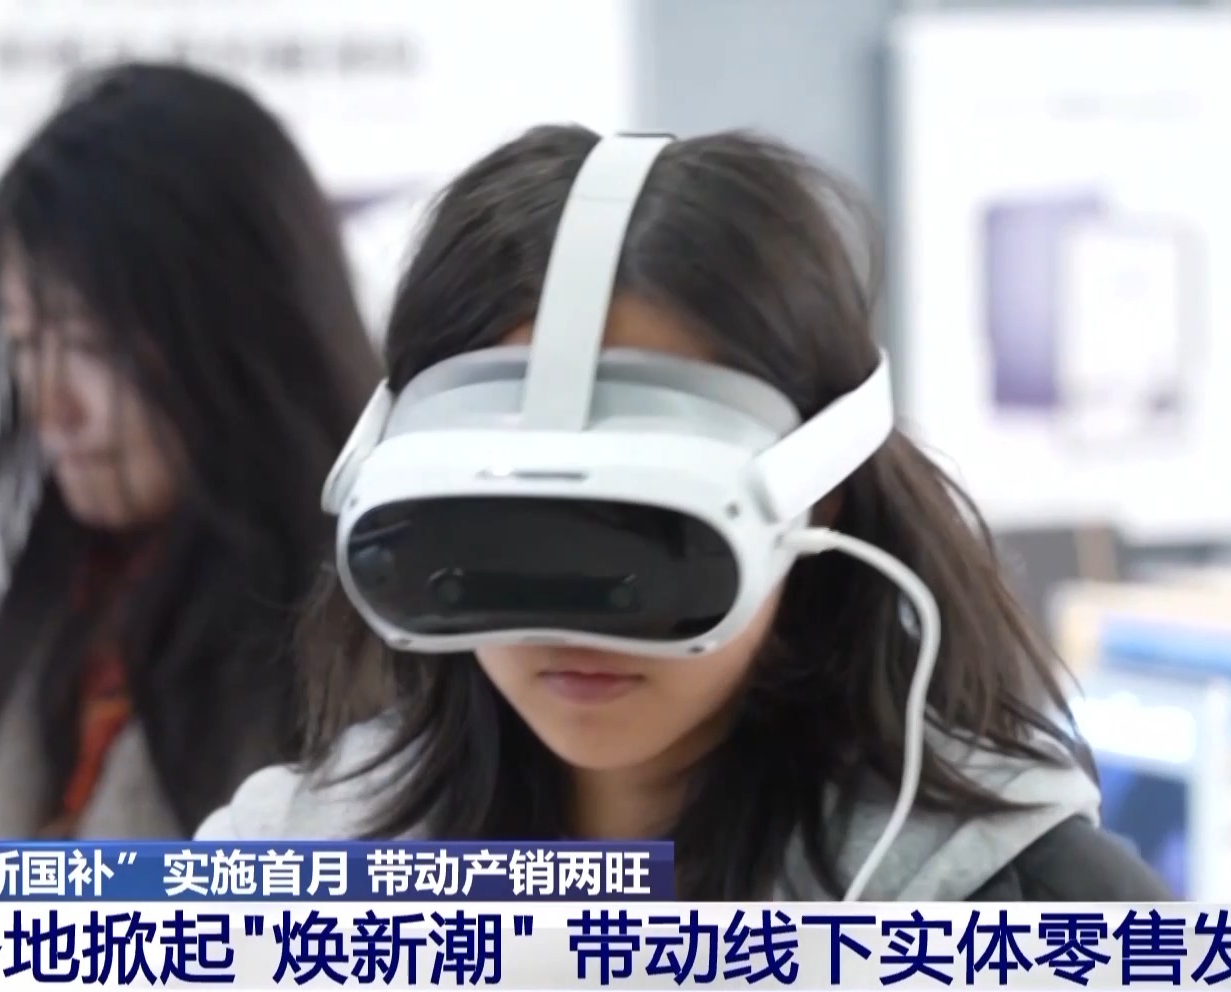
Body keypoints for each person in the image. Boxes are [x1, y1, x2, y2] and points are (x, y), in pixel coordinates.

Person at [195, 125, 1171, 902]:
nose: (569, 623)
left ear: (814, 494)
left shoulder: (1032, 910)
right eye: (502, 528)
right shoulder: (286, 872)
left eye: (644, 529)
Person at [0, 63, 382, 839]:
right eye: (26, 342)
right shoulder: (60, 613)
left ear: (240, 330)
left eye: (89, 343)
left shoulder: (379, 648)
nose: (51, 407)